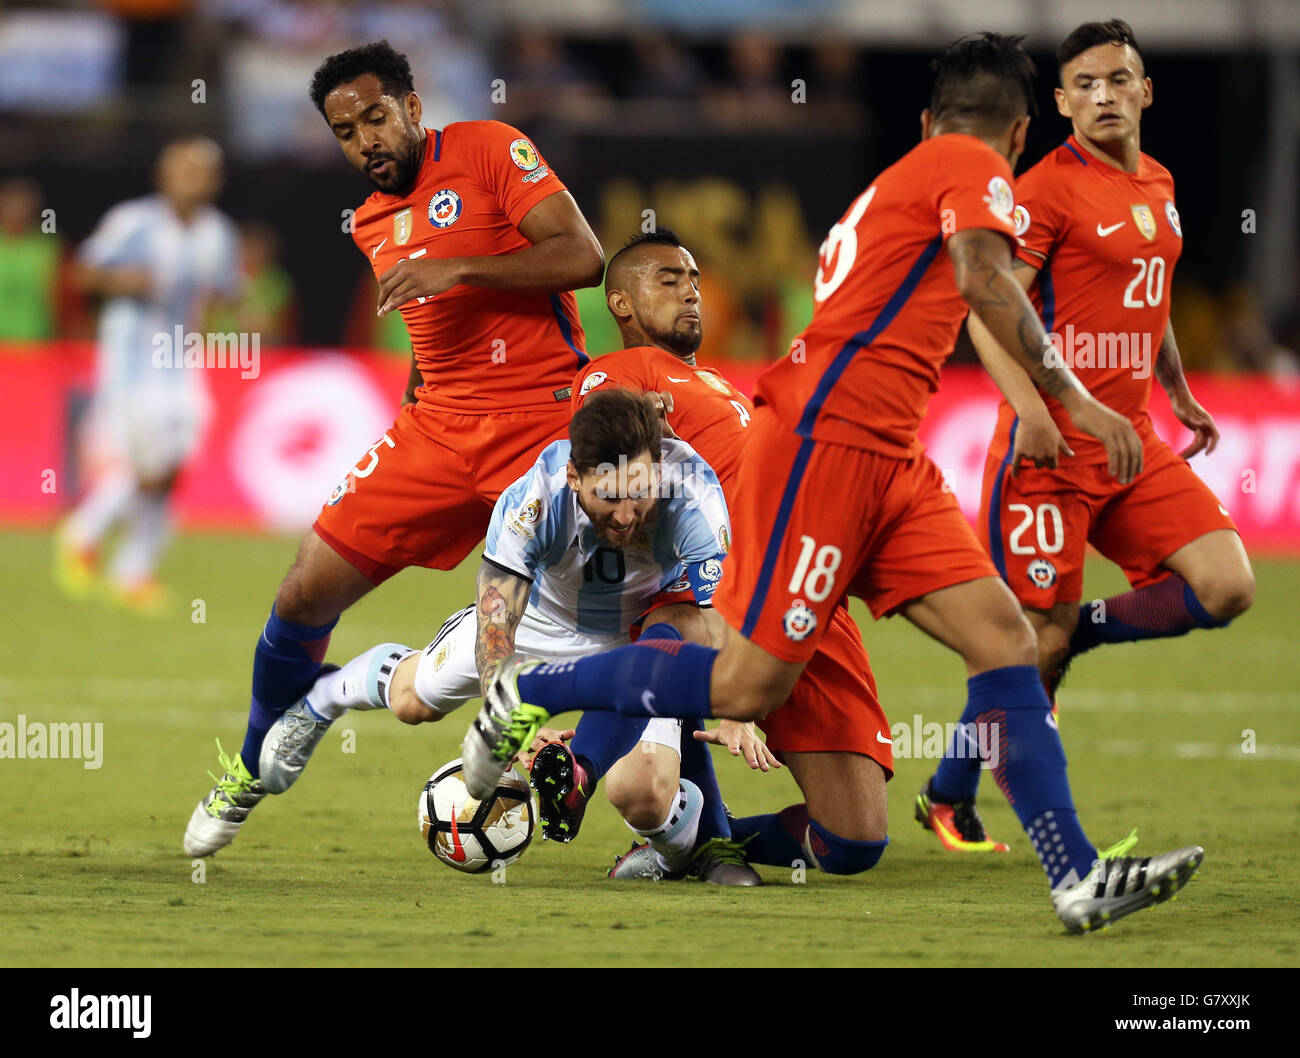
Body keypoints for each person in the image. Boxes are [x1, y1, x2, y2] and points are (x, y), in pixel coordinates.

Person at [464, 33, 1205, 934]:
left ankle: (1077, 878)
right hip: (826, 446)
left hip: (887, 454)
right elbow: (984, 278)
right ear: (1018, 136)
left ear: (931, 118)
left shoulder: (900, 183)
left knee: (1004, 642)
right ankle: (534, 696)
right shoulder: (969, 166)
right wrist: (1075, 400)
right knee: (740, 690)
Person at [183, 40, 604, 857]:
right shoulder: (372, 221)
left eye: (376, 117)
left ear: (413, 107)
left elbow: (582, 257)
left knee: (617, 612)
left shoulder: (487, 148)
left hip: (544, 423)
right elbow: (434, 332)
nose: (365, 140)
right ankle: (251, 766)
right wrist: (420, 392)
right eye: (346, 131)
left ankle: (685, 817)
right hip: (440, 429)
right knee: (305, 591)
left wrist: (460, 270)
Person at [918, 19, 1254, 852]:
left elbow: (1150, 294)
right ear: (1062, 104)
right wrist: (1030, 409)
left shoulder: (1161, 183)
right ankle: (951, 792)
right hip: (1049, 452)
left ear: (1145, 91)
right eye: (1087, 86)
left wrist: (1176, 386)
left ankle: (1085, 628)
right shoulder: (1043, 191)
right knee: (1033, 652)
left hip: (1131, 440)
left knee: (1227, 586)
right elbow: (989, 310)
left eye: (1119, 80)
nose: (1104, 95)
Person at [259, 388, 763, 884]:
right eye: (608, 498)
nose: (628, 514)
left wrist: (738, 711)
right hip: (539, 624)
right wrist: (512, 718)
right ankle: (324, 694)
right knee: (415, 702)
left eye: (640, 493)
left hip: (637, 635)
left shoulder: (692, 491)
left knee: (642, 794)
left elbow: (716, 617)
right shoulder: (533, 500)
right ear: (574, 477)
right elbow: (497, 624)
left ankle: (660, 841)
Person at [530, 228, 894, 880]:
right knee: (677, 634)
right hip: (712, 589)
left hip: (803, 581)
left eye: (694, 280)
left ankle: (698, 833)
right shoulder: (618, 372)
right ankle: (583, 775)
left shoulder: (720, 382)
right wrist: (646, 427)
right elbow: (608, 437)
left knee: (856, 839)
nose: (690, 291)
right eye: (668, 279)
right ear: (620, 302)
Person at [55, 138, 238, 614]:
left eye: (202, 172)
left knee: (174, 466)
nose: (192, 180)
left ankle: (91, 539)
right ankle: (123, 566)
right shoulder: (132, 222)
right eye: (183, 170)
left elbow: (225, 292)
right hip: (132, 364)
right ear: (165, 174)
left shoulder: (218, 233)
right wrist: (122, 281)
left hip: (183, 366)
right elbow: (82, 273)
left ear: (215, 181)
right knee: (149, 466)